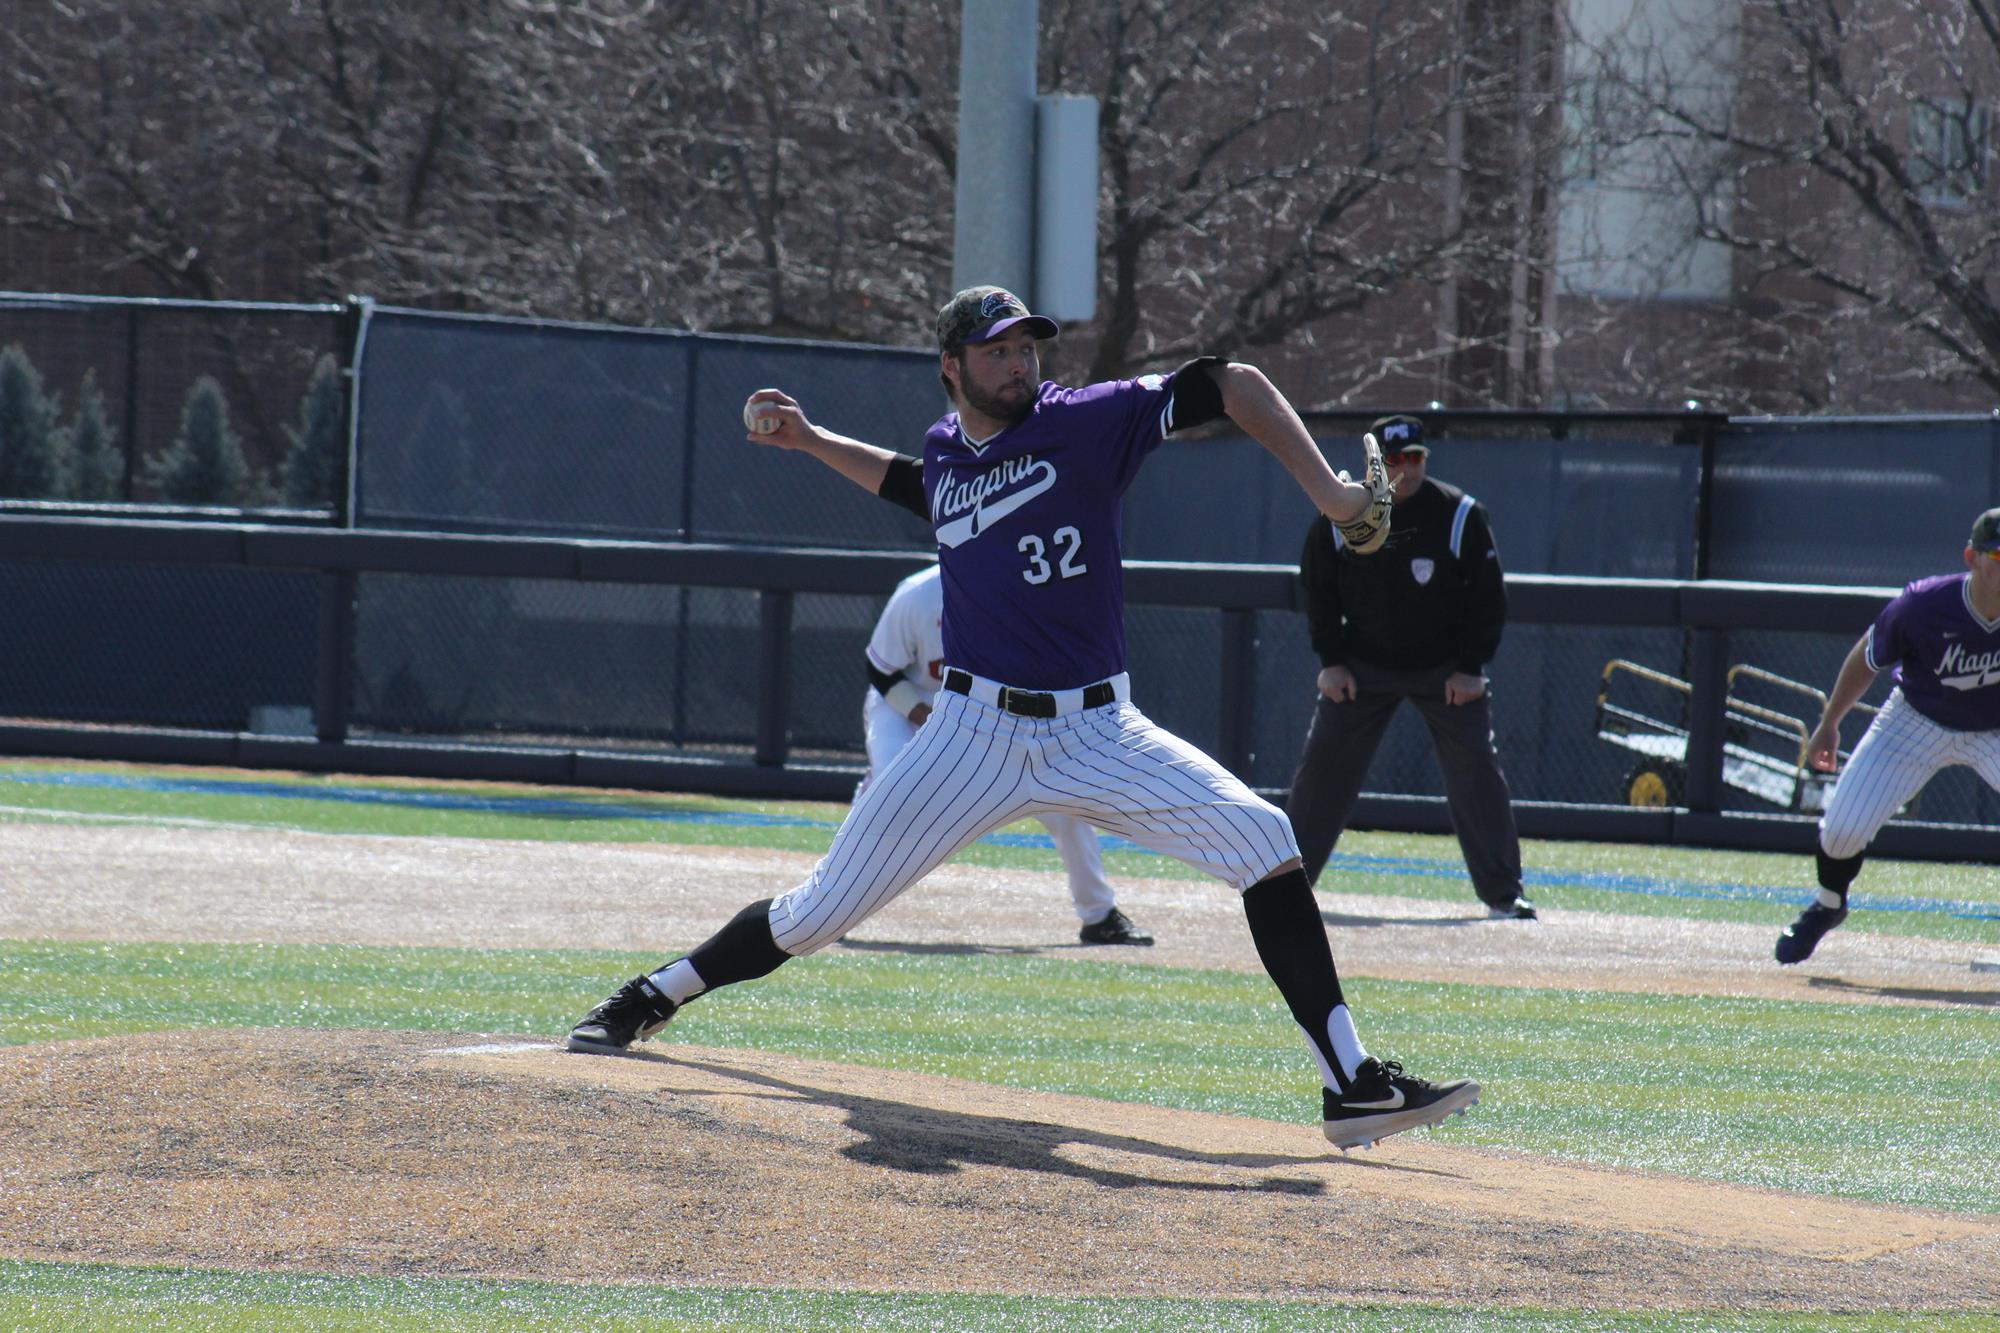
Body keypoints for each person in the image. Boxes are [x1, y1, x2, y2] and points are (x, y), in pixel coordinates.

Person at [565, 285, 1479, 1151]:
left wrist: (1328, 492)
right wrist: (809, 440)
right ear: (951, 370)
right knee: (815, 915)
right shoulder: (952, 449)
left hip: (1097, 729)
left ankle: (1350, 1082)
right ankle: (653, 993)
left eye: (1026, 346)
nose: (1018, 363)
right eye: (995, 351)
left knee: (1266, 840)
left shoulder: (1086, 422)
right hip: (969, 733)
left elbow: (1230, 382)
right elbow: (920, 485)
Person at [1283, 414, 1534, 920]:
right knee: (1323, 768)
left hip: (1444, 671)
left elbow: (1488, 598)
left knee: (1477, 773)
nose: (1406, 469)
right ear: (1377, 464)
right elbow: (1319, 592)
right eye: (1395, 459)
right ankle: (1284, 890)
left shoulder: (1459, 513)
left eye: (1415, 458)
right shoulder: (1341, 512)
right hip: (1362, 665)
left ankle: (1505, 894)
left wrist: (1470, 667)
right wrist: (1331, 662)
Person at [862, 562, 1153, 946]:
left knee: (1066, 804)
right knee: (892, 790)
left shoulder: (1019, 594)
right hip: (909, 706)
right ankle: (828, 897)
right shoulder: (918, 594)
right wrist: (925, 717)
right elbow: (881, 670)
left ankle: (1099, 916)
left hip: (990, 716)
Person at [1776, 505, 2000, 963]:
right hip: (1916, 720)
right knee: (1840, 832)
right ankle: (1829, 904)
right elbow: (1868, 656)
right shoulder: (1924, 604)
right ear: (1971, 558)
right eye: (1998, 558)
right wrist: (1829, 723)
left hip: (1993, 729)